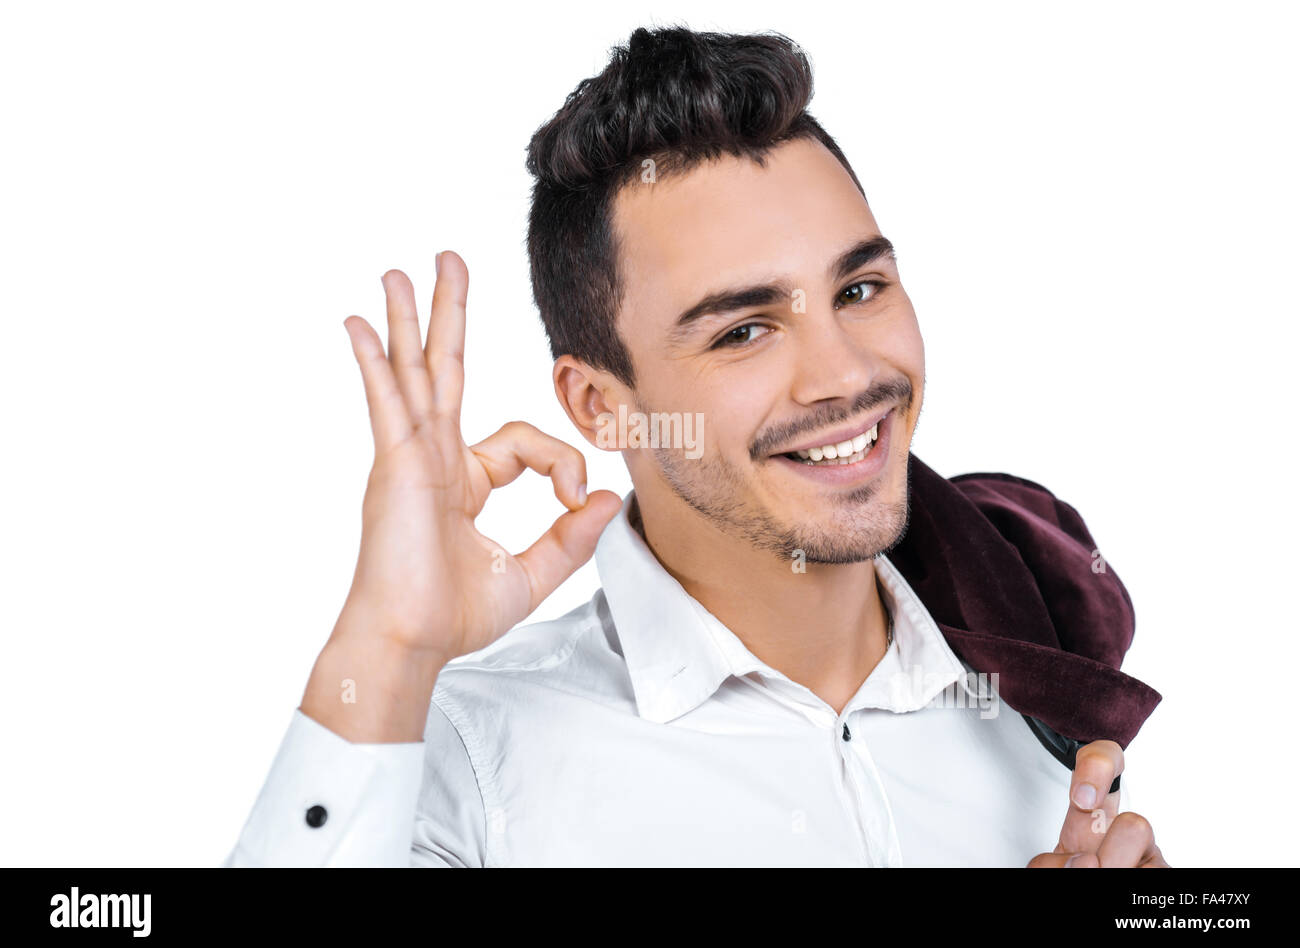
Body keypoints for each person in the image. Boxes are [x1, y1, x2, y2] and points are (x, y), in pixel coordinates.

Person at [225, 26, 1167, 867]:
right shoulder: (469, 763)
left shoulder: (1039, 696)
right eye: (743, 331)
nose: (843, 376)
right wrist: (386, 646)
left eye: (858, 290)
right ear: (600, 406)